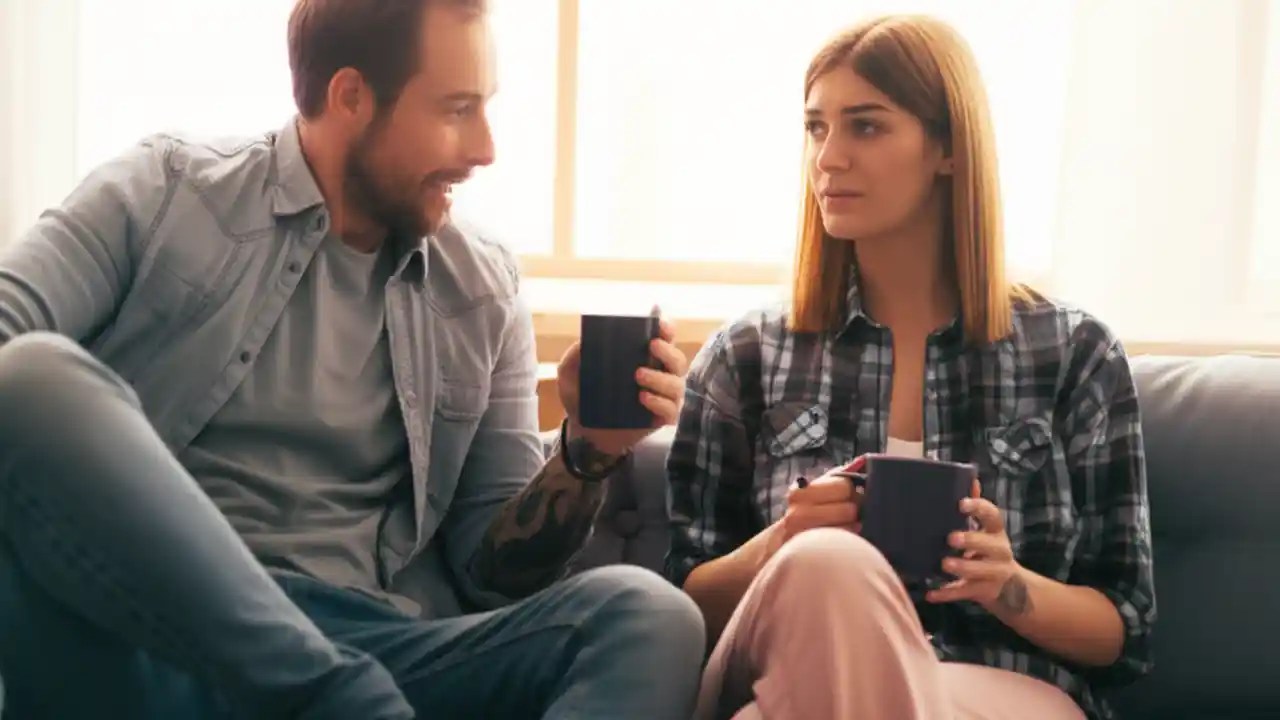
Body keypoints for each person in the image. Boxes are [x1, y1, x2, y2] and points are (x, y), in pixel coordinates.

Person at [0, 0, 705, 718]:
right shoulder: (163, 192)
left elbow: (492, 575)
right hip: (152, 640)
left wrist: (585, 455)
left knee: (647, 613)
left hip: (380, 648)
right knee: (27, 378)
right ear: (351, 97)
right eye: (457, 108)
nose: (487, 147)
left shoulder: (482, 287)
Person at [666, 14, 1156, 720]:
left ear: (948, 149)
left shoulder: (1075, 355)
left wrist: (1005, 583)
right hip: (794, 670)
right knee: (828, 566)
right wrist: (783, 542)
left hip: (999, 693)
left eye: (865, 126)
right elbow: (681, 612)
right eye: (815, 127)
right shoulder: (746, 356)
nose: (828, 158)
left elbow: (1127, 632)